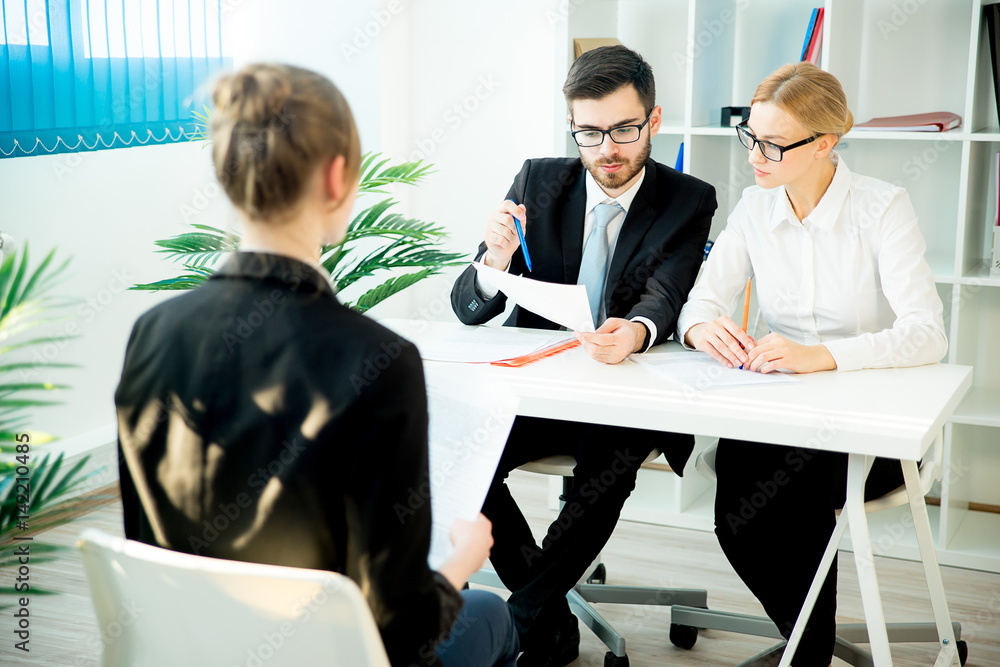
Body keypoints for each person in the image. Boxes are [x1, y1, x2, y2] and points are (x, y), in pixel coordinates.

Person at [115, 63, 519, 667]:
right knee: (491, 613)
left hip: (192, 651)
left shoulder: (151, 334)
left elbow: (149, 549)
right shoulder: (380, 361)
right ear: (337, 177)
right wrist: (463, 560)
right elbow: (400, 635)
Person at [451, 45, 717, 667]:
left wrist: (639, 329)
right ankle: (548, 612)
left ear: (654, 121)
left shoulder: (687, 198)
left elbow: (668, 291)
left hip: (627, 389)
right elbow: (467, 307)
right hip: (541, 388)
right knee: (466, 451)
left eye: (624, 129)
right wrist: (492, 260)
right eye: (589, 132)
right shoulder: (541, 180)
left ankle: (518, 621)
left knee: (611, 460)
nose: (606, 149)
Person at [677, 62, 947, 667]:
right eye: (751, 137)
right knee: (735, 515)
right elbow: (701, 302)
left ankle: (808, 653)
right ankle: (808, 642)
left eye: (772, 144)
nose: (755, 155)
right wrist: (703, 329)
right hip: (778, 414)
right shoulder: (754, 207)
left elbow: (928, 334)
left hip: (873, 426)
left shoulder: (882, 208)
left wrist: (821, 357)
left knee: (788, 505)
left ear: (824, 143)